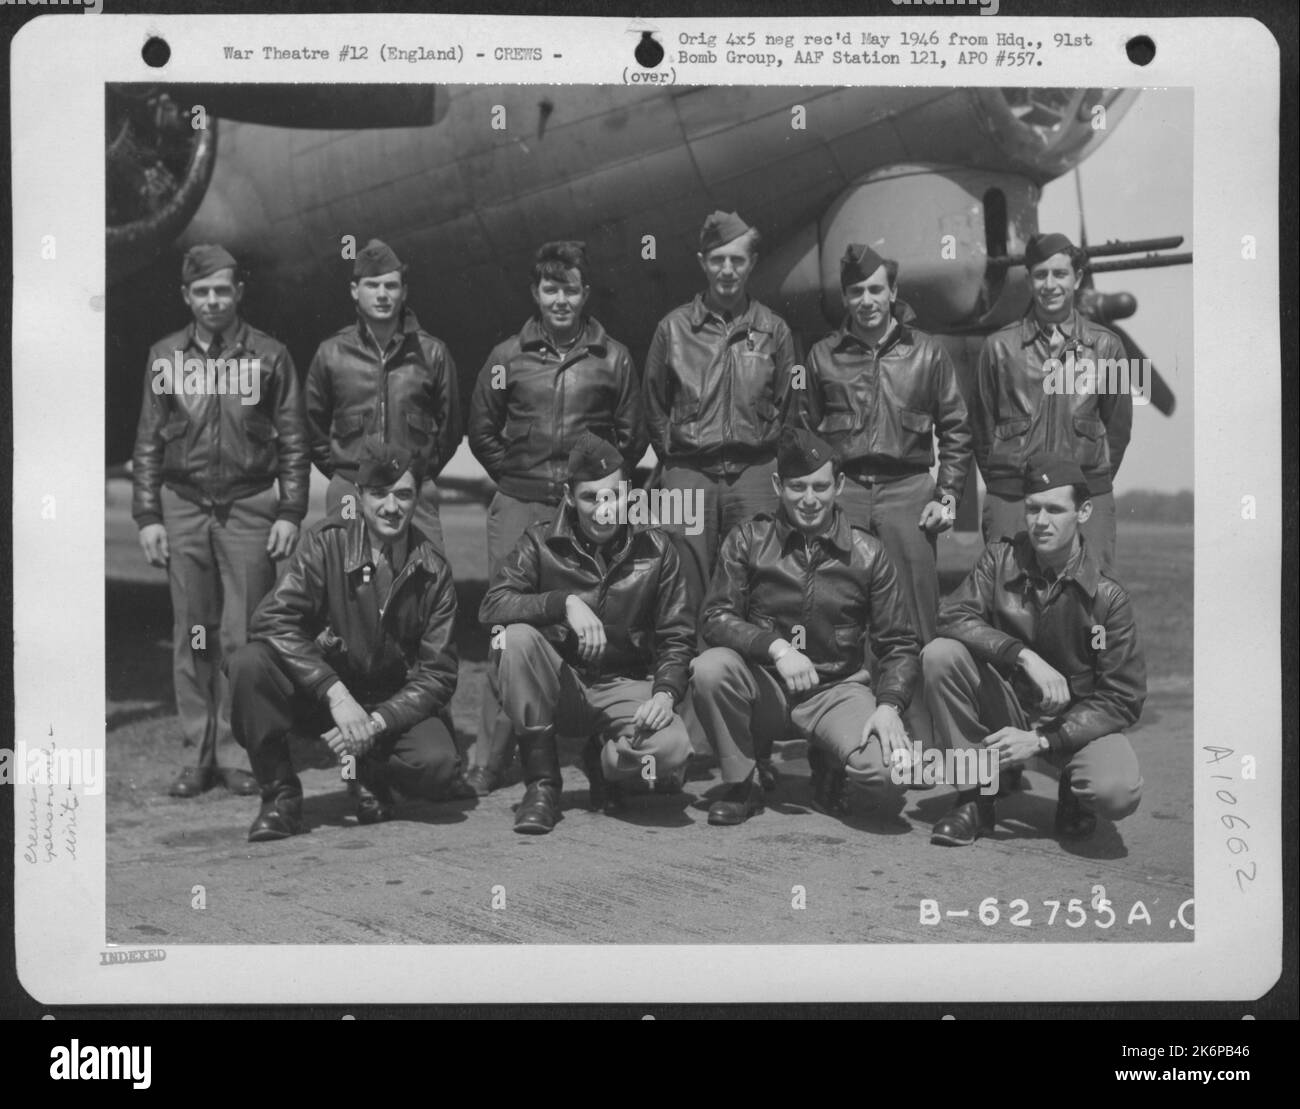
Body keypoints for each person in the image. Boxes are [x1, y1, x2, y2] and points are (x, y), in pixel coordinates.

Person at [466, 241, 647, 794]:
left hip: (588, 511)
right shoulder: (506, 358)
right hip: (521, 505)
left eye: (570, 289)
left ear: (585, 293)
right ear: (535, 294)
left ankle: (597, 743)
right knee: (509, 627)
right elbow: (482, 430)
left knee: (597, 616)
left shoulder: (612, 359)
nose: (561, 299)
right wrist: (521, 478)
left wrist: (585, 491)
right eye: (551, 289)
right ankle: (489, 760)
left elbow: (632, 437)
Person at [132, 243, 309, 799]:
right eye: (202, 291)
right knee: (194, 634)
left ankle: (238, 752)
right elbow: (147, 443)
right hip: (183, 507)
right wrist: (147, 515)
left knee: (241, 636)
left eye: (222, 290)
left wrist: (290, 509)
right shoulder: (165, 358)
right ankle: (196, 753)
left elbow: (294, 440)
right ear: (187, 296)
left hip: (250, 507)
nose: (213, 300)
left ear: (238, 293)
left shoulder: (270, 356)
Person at [227, 439, 463, 842]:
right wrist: (335, 694)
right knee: (249, 664)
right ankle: (279, 796)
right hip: (323, 695)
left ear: (417, 497)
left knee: (438, 765)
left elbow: (439, 673)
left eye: (404, 494)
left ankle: (372, 769)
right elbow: (270, 619)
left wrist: (375, 722)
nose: (392, 507)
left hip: (389, 704)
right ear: (359, 496)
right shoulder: (325, 542)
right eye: (379, 494)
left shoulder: (433, 568)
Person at [689, 429, 921, 826]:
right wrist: (777, 649)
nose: (809, 499)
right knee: (711, 668)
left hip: (836, 691)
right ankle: (743, 782)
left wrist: (889, 705)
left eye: (820, 486)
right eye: (797, 487)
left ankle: (830, 760)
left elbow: (899, 642)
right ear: (778, 485)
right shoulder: (748, 539)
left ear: (840, 486)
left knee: (888, 773)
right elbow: (715, 618)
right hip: (766, 687)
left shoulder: (869, 553)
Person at [923, 455, 1146, 847]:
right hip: (1007, 704)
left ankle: (1075, 793)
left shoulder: (1108, 597)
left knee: (1117, 791)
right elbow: (952, 614)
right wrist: (1022, 655)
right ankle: (977, 796)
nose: (1041, 522)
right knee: (940, 655)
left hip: (1071, 723)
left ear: (1084, 512)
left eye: (1055, 510)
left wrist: (1044, 739)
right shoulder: (999, 559)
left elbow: (1122, 698)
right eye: (1032, 509)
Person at [479, 433, 695, 835]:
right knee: (514, 639)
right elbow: (493, 605)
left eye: (612, 497)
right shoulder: (539, 542)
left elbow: (677, 636)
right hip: (563, 684)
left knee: (672, 750)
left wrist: (665, 693)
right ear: (568, 496)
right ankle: (542, 786)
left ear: (628, 494)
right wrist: (562, 603)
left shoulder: (658, 548)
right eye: (590, 498)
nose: (603, 510)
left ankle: (608, 764)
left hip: (623, 685)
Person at [803, 243, 972, 644]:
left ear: (893, 293)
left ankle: (915, 706)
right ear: (844, 297)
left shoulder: (928, 353)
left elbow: (957, 429)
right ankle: (848, 701)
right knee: (840, 608)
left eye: (876, 290)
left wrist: (946, 498)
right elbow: (804, 435)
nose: (867, 301)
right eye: (857, 291)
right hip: (845, 497)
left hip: (908, 494)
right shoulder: (821, 357)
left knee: (915, 611)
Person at [642, 210, 800, 597]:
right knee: (682, 580)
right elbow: (653, 403)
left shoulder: (774, 330)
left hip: (755, 473)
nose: (727, 270)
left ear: (752, 263)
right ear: (702, 263)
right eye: (717, 260)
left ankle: (752, 657)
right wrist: (677, 457)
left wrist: (767, 460)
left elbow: (790, 404)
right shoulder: (673, 329)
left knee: (759, 577)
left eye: (737, 260)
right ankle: (685, 659)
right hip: (689, 473)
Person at [971, 232, 1132, 573]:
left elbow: (1118, 429)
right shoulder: (997, 348)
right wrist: (1008, 481)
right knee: (1009, 601)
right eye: (1040, 275)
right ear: (1029, 280)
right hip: (1013, 499)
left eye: (1060, 274)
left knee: (1088, 600)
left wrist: (1085, 486)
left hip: (1085, 499)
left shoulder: (1109, 347)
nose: (1050, 284)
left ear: (1078, 278)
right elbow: (981, 429)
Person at [305, 238, 461, 552]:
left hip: (413, 488)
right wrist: (346, 470)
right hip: (350, 490)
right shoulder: (331, 353)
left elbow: (451, 428)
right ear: (354, 291)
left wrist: (419, 471)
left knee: (423, 581)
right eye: (372, 285)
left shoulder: (432, 353)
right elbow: (313, 424)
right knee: (347, 584)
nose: (381, 295)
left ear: (403, 292)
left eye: (390, 286)